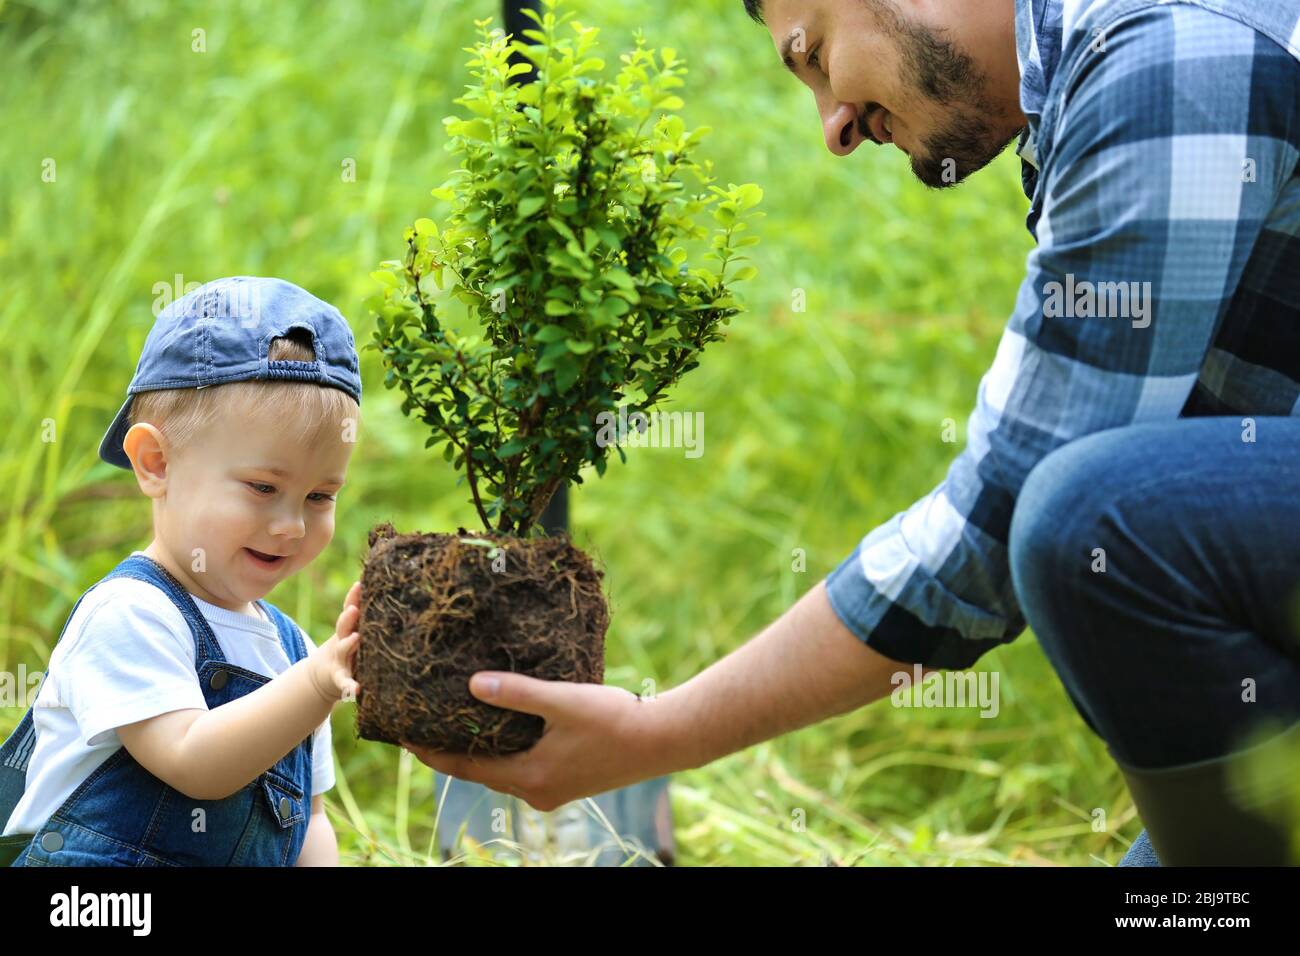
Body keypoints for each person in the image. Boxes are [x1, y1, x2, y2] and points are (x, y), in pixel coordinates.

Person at [402, 0, 1300, 866]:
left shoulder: (1168, 59)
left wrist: (656, 732)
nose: (832, 128)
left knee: (1093, 518)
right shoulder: (1114, 65)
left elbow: (1007, 513)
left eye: (815, 54)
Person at [0, 276, 363, 866]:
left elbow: (311, 820)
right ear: (156, 463)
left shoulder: (292, 652)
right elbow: (195, 761)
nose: (292, 525)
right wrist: (318, 682)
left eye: (320, 496)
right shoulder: (131, 615)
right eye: (264, 487)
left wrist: (311, 676)